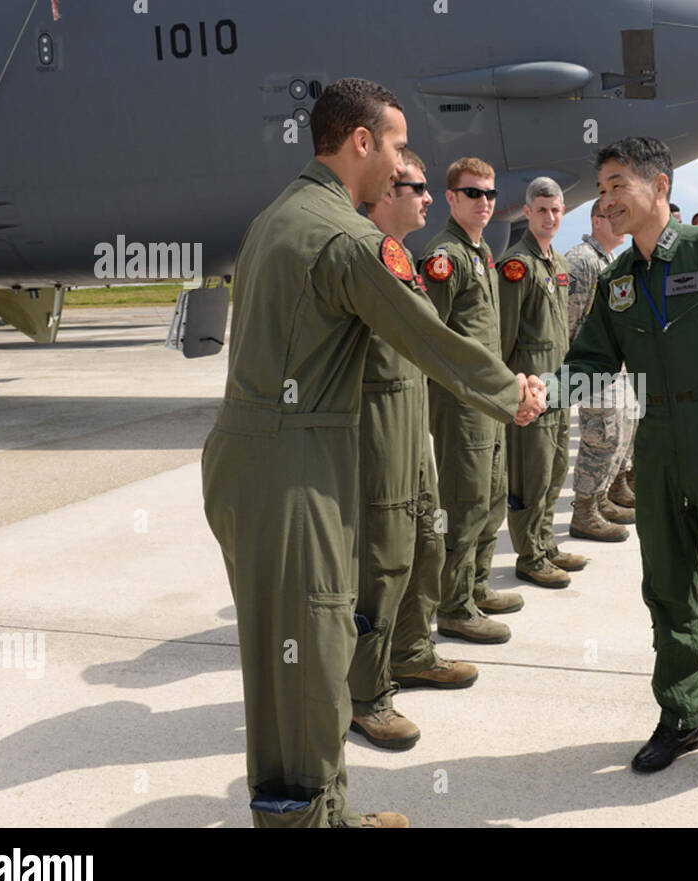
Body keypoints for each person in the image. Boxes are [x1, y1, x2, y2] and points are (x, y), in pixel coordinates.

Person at [201, 78, 546, 827]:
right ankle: (312, 821)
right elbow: (426, 335)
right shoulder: (349, 239)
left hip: (247, 457)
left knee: (284, 656)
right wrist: (509, 392)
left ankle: (309, 812)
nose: (399, 165)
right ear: (361, 141)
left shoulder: (275, 217)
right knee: (313, 656)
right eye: (395, 146)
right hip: (294, 470)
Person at [560, 136, 698, 794]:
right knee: (666, 587)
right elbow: (593, 360)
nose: (607, 200)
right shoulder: (619, 279)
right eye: (602, 188)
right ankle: (681, 716)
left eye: (618, 185)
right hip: (656, 446)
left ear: (659, 186)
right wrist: (542, 392)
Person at [345, 150, 481, 753]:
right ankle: (365, 696)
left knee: (427, 542)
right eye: (417, 187)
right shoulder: (363, 260)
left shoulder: (400, 262)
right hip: (377, 435)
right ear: (384, 191)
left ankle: (411, 652)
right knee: (381, 565)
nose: (428, 198)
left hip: (412, 430)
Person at [418, 158, 525, 643]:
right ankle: (455, 607)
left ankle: (476, 586)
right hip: (461, 404)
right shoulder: (445, 257)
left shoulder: (480, 252)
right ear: (451, 198)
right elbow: (431, 337)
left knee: (491, 496)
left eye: (490, 194)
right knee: (464, 502)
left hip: (487, 400)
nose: (485, 202)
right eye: (473, 193)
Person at [498, 178, 589, 588]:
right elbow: (503, 336)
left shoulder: (559, 264)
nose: (549, 217)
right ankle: (529, 556)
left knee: (554, 471)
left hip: (557, 386)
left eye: (555, 210)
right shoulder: (516, 265)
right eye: (541, 210)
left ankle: (545, 544)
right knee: (530, 475)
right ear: (527, 212)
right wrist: (512, 391)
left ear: (563, 212)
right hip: (531, 391)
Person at [565, 199, 637, 543]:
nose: (621, 223)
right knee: (600, 438)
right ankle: (584, 512)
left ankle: (606, 495)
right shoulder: (581, 261)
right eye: (612, 216)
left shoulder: (608, 259)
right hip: (591, 366)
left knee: (620, 434)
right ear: (596, 221)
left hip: (612, 366)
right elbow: (569, 319)